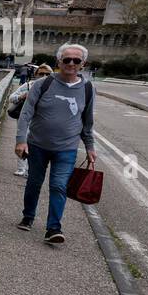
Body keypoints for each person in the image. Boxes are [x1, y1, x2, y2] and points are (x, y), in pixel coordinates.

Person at [15, 44, 96, 244]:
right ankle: (28, 216)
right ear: (58, 62)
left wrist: (90, 147)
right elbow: (26, 113)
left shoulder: (87, 89)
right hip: (37, 145)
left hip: (66, 149)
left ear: (82, 64)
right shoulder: (43, 84)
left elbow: (87, 121)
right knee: (34, 183)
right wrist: (20, 140)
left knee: (59, 186)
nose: (71, 64)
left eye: (76, 61)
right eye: (66, 60)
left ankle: (53, 229)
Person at [9, 63, 53, 176]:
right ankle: (21, 168)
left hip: (43, 121)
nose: (44, 76)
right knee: (23, 141)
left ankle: (30, 170)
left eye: (47, 74)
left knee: (36, 145)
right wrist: (22, 96)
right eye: (41, 73)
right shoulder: (28, 85)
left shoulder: (55, 88)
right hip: (25, 118)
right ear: (36, 74)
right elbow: (11, 98)